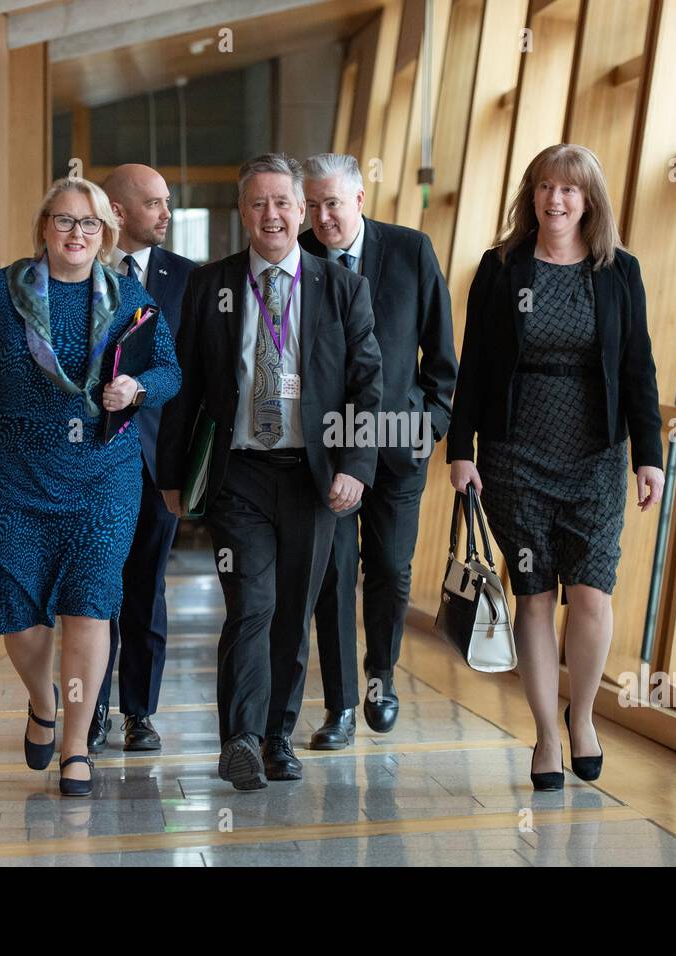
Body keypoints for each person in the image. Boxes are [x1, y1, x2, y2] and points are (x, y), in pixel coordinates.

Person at [0, 177, 181, 797]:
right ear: (43, 226)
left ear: (105, 235)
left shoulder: (130, 296)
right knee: (20, 617)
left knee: (89, 607)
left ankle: (75, 746)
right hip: (12, 475)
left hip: (103, 472)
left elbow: (170, 368)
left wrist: (137, 389)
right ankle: (43, 700)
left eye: (90, 224)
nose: (77, 234)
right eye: (65, 220)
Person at [156, 153, 382, 791]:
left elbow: (368, 385)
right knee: (250, 604)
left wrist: (356, 465)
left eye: (283, 203)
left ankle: (279, 736)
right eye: (258, 204)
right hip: (241, 476)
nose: (272, 215)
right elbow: (187, 386)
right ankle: (243, 740)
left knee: (294, 611)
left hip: (313, 477)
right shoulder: (213, 286)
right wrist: (175, 476)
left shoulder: (340, 288)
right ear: (242, 213)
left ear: (302, 210)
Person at [446, 144, 665, 792]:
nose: (556, 200)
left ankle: (584, 716)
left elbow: (638, 370)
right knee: (535, 597)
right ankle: (545, 733)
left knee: (593, 595)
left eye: (569, 190)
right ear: (531, 197)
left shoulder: (618, 272)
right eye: (545, 187)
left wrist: (650, 456)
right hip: (516, 454)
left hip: (596, 457)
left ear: (589, 199)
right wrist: (461, 449)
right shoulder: (501, 268)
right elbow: (476, 366)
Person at [299, 153, 457, 748]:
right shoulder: (300, 259)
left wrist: (431, 425)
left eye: (332, 204)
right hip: (328, 453)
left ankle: (379, 678)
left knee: (389, 570)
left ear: (359, 200)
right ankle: (339, 706)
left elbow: (441, 353)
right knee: (335, 576)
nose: (321, 217)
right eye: (311, 205)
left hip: (396, 447)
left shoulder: (411, 250)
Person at [87, 164, 197, 754]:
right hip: (94, 463)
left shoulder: (187, 279)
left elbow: (194, 374)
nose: (166, 213)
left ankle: (139, 713)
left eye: (169, 202)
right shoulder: (82, 272)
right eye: (155, 203)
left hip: (160, 463)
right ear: (120, 212)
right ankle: (92, 709)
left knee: (147, 589)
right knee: (94, 589)